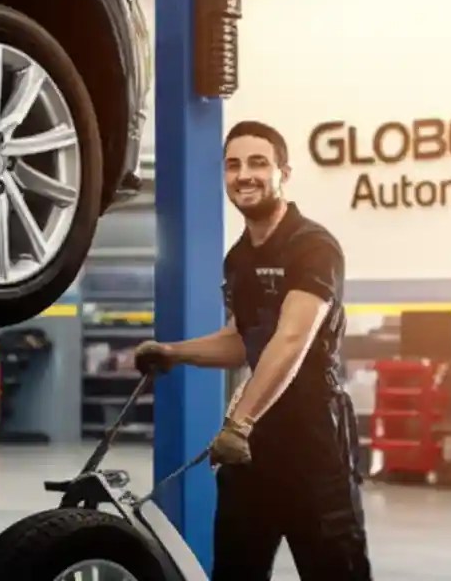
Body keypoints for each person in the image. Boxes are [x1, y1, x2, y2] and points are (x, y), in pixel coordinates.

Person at [134, 120, 372, 581]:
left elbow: (291, 340)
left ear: (284, 172)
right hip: (253, 446)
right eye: (233, 165)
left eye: (258, 163)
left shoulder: (314, 247)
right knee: (236, 568)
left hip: (312, 436)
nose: (244, 175)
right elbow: (243, 341)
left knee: (335, 569)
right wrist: (171, 352)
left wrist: (239, 421)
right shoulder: (239, 257)